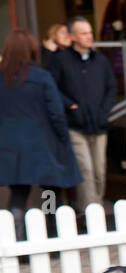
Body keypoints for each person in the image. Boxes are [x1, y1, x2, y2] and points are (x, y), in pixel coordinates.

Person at [0, 29, 80, 238]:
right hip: (42, 143)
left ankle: (15, 239)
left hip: (10, 147)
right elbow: (56, 113)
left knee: (18, 193)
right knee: (50, 191)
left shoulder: (2, 78)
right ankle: (51, 237)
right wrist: (63, 140)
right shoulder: (41, 77)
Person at [48, 16, 114, 211]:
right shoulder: (60, 60)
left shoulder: (100, 60)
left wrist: (104, 111)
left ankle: (96, 207)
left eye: (90, 33)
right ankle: (91, 214)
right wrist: (69, 106)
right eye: (83, 33)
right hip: (75, 126)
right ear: (72, 36)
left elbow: (111, 87)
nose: (88, 37)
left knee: (99, 172)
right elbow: (52, 88)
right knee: (85, 170)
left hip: (99, 125)